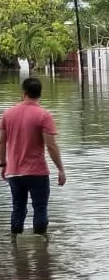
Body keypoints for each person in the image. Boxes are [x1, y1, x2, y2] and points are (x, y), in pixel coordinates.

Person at [0, 77, 66, 238]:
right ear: (39, 94)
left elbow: (1, 142)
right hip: (37, 171)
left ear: (24, 93)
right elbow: (51, 145)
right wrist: (61, 169)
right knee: (40, 207)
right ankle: (42, 245)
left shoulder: (8, 114)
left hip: (14, 171)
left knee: (18, 207)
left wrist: (2, 164)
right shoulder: (44, 115)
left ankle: (14, 243)